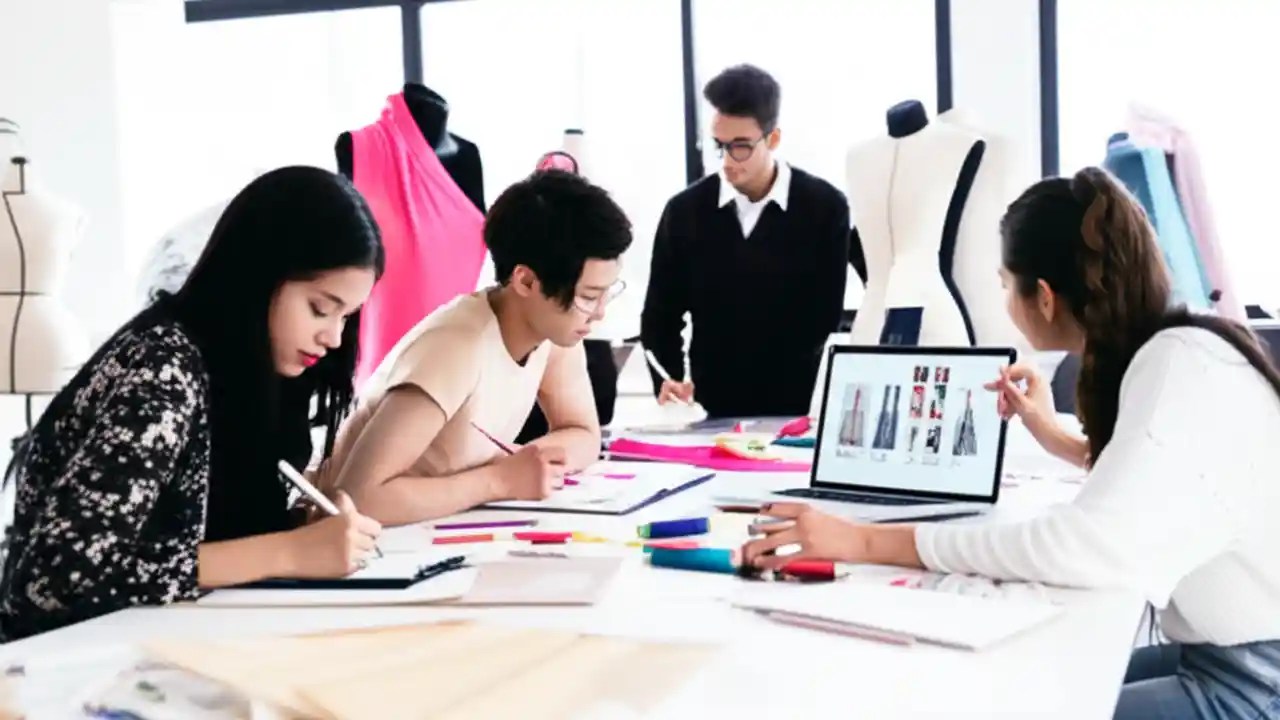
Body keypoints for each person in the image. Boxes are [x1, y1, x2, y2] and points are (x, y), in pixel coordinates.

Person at [742, 167, 1280, 719]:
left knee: (1032, 696)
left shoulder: (1175, 364)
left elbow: (1083, 544)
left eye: (1004, 283)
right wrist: (1053, 435)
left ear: (1043, 297)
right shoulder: (1183, 347)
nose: (1004, 297)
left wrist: (862, 541)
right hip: (1229, 656)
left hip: (1254, 683)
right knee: (1037, 677)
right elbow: (1170, 490)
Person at [0, 167, 387, 640]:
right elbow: (57, 578)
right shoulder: (163, 369)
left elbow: (210, 530)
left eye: (347, 316)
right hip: (61, 671)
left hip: (175, 642)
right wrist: (288, 551)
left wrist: (302, 526)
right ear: (259, 276)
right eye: (320, 309)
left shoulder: (265, 367)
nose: (333, 336)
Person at [329, 170, 632, 526]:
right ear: (526, 281)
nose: (599, 313)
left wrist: (530, 462)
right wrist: (499, 480)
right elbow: (357, 499)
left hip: (425, 534)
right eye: (588, 297)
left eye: (606, 293)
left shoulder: (554, 331)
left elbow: (583, 434)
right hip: (351, 548)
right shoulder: (456, 347)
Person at [641, 63, 849, 418]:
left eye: (740, 147)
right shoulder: (685, 211)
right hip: (710, 411)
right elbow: (661, 315)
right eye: (719, 146)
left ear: (773, 139)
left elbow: (823, 318)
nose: (727, 161)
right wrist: (669, 379)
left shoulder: (824, 207)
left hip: (797, 410)